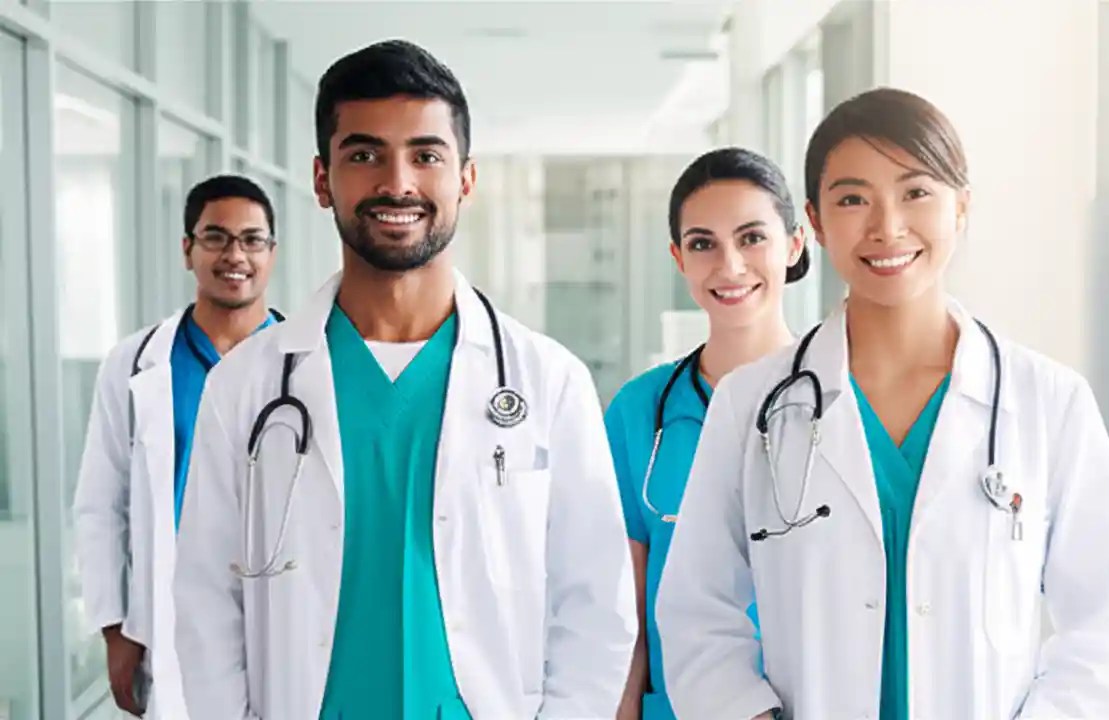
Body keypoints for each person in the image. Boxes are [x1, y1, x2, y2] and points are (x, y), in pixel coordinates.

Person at [655, 88, 1109, 720]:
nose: (886, 226)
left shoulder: (1047, 402)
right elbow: (695, 608)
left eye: (916, 192)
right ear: (813, 220)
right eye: (852, 199)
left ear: (962, 207)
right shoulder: (750, 404)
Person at [173, 39, 636, 720]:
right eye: (364, 155)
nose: (397, 183)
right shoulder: (248, 385)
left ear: (466, 179)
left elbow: (594, 602)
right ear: (322, 178)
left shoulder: (547, 380)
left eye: (426, 155)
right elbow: (207, 600)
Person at [605, 148, 807, 720]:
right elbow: (626, 619)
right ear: (678, 258)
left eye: (751, 238)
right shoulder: (639, 411)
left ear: (793, 245)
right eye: (702, 244)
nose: (730, 266)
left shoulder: (839, 401)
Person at [74, 175, 282, 718]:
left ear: (272, 253)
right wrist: (116, 629)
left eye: (252, 239)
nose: (235, 254)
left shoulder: (311, 363)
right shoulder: (136, 361)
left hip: (283, 605)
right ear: (188, 249)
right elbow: (101, 504)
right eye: (216, 237)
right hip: (172, 611)